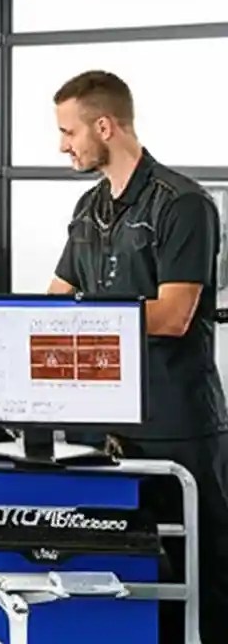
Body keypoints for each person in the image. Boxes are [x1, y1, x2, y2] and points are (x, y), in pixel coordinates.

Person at [47, 69, 228, 642]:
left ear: (105, 125)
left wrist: (89, 317)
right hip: (100, 420)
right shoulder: (87, 208)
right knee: (122, 571)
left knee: (206, 568)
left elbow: (174, 315)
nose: (62, 146)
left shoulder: (184, 205)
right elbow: (55, 301)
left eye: (68, 132)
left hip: (176, 418)